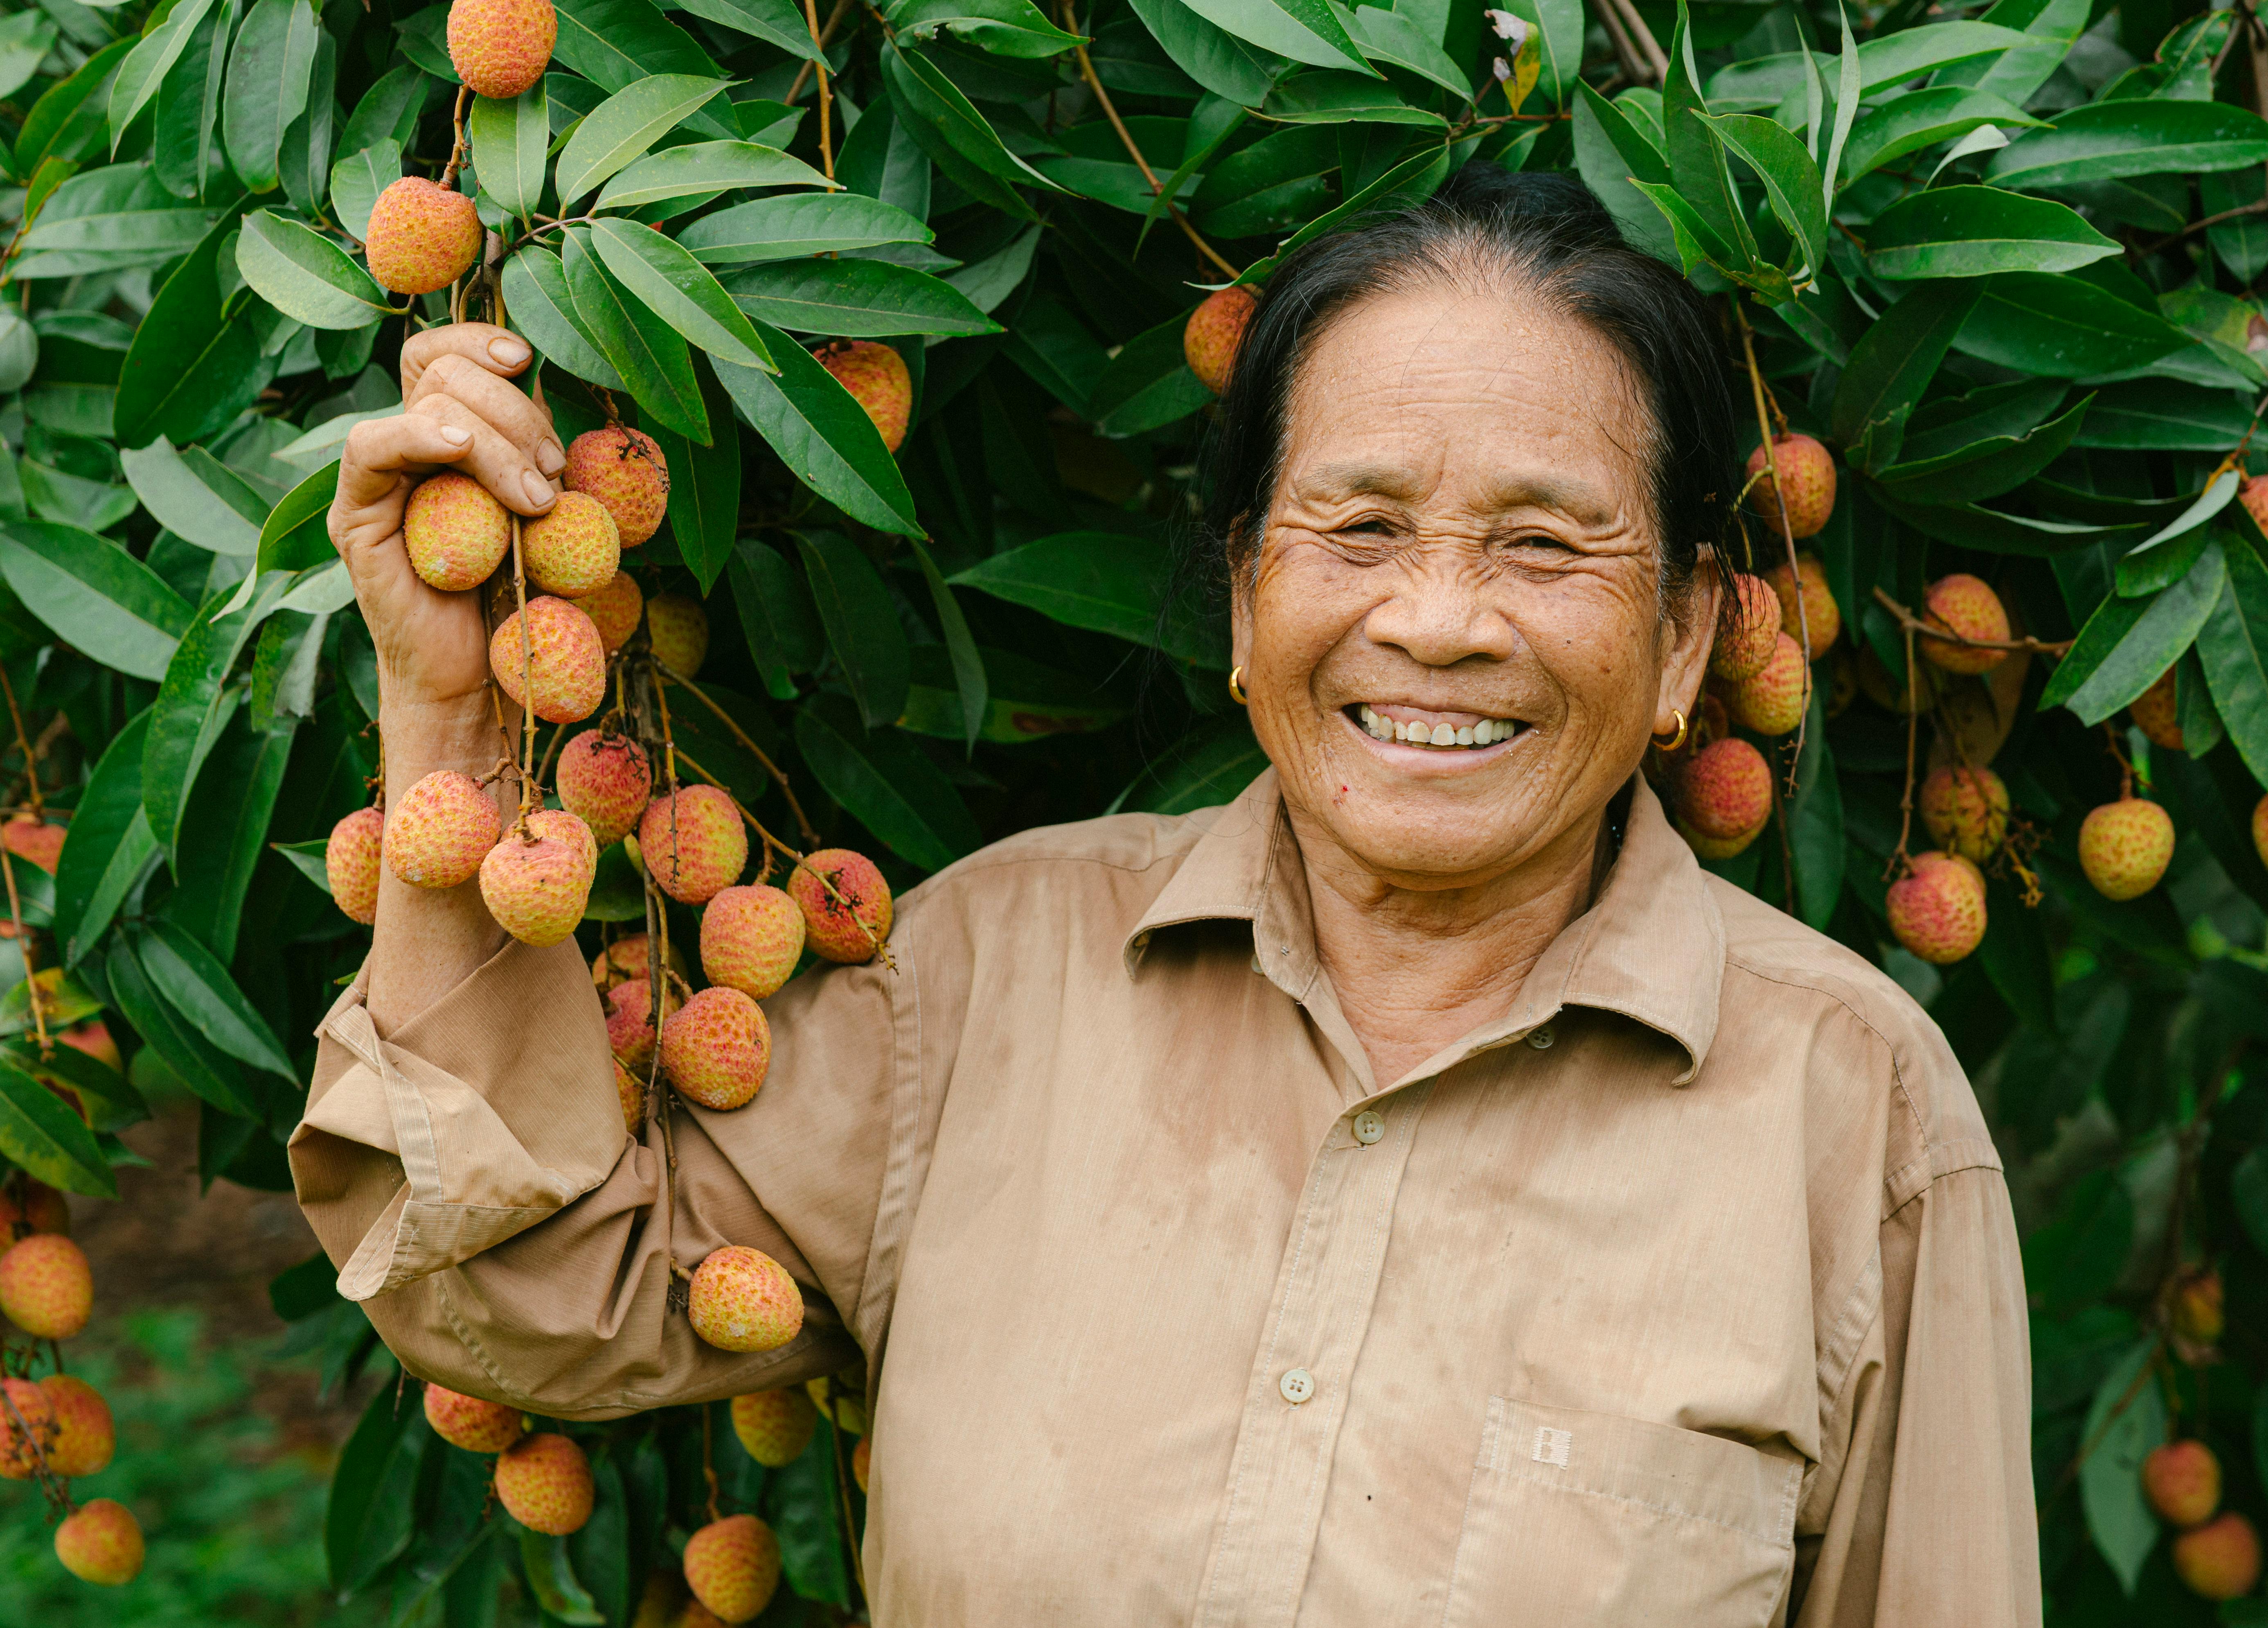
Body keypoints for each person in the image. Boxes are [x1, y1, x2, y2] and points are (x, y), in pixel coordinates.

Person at [295, 165, 2038, 1625]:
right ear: (1235, 602)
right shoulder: (984, 976)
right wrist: (455, 713)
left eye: (1540, 542)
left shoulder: (1854, 1115)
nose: (1436, 619)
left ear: (1680, 641)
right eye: (1355, 530)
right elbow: (517, 1298)